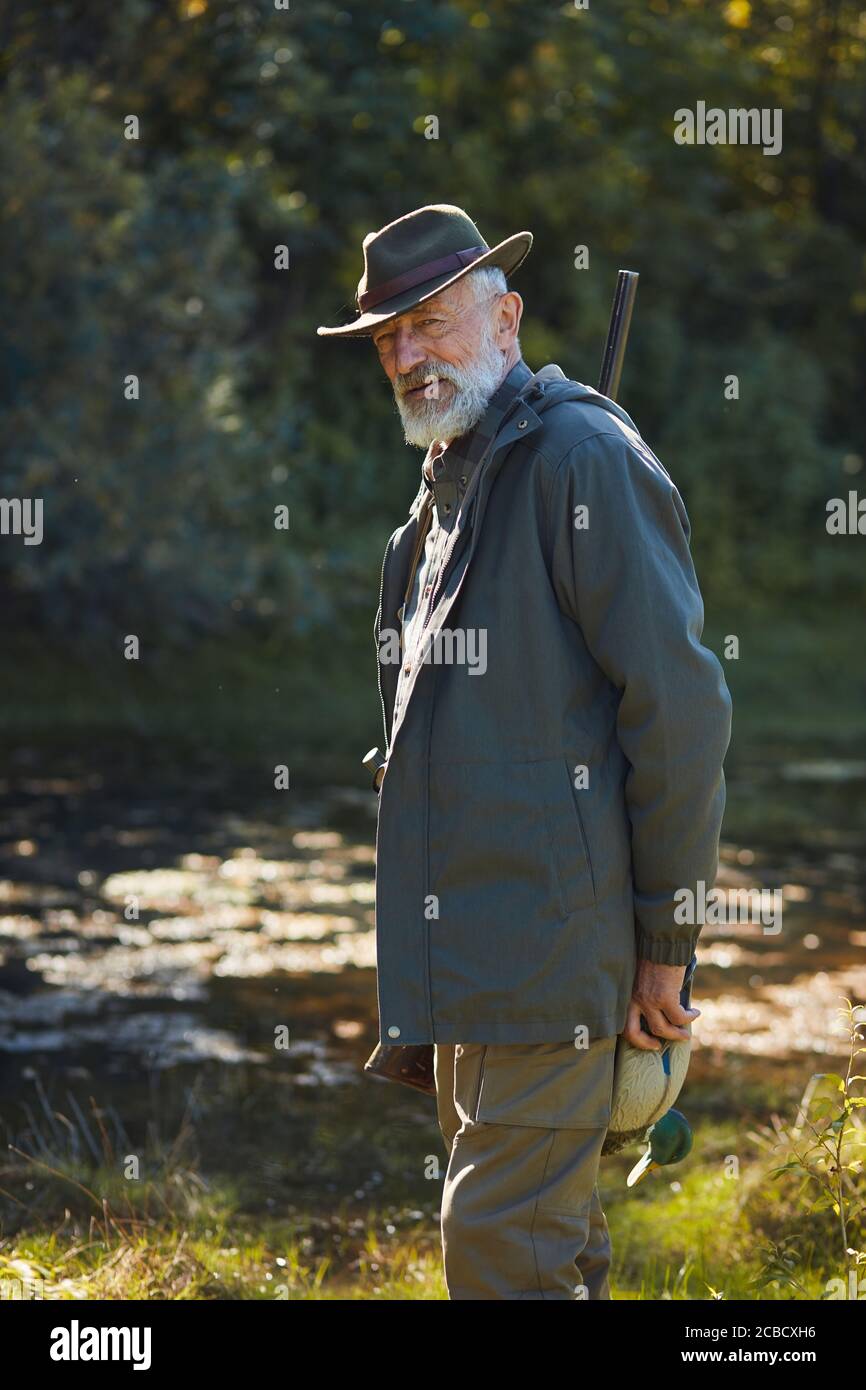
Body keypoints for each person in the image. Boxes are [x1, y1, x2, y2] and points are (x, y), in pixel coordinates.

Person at [318, 203, 732, 1300]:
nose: (408, 355)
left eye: (429, 323)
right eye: (386, 337)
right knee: (541, 1248)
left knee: (500, 1255)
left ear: (504, 317)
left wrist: (666, 945)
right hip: (475, 961)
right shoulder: (441, 493)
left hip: (556, 962)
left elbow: (679, 714)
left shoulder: (582, 460)